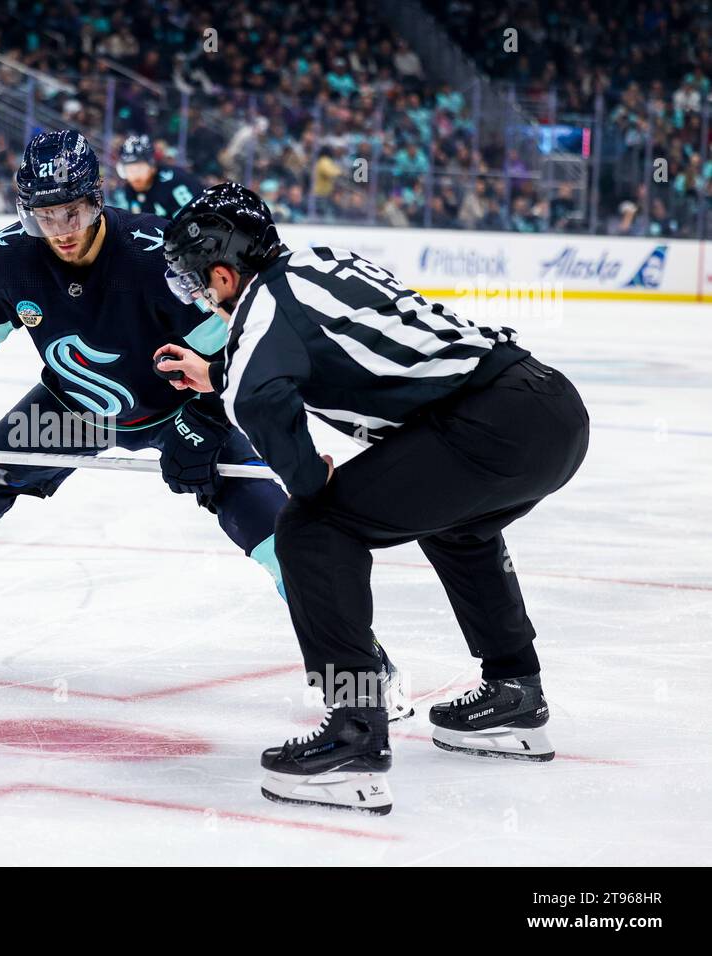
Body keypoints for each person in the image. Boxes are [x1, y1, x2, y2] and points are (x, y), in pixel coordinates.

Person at [0, 131, 410, 714]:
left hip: (179, 406)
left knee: (273, 531)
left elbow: (232, 360)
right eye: (44, 217)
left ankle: (357, 665)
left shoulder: (158, 256)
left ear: (97, 198)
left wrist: (204, 426)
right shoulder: (8, 256)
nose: (60, 229)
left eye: (75, 211)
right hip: (72, 411)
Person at [158, 183, 589, 814]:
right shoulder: (319, 261)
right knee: (459, 527)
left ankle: (355, 733)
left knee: (310, 529)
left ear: (222, 274)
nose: (196, 296)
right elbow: (327, 348)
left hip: (488, 429)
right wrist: (222, 373)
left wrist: (309, 480)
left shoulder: (256, 316)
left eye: (195, 283)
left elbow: (271, 415)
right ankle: (515, 693)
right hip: (547, 407)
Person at [108, 133, 202, 218]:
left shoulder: (174, 180)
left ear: (152, 166)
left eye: (139, 168)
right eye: (129, 169)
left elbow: (199, 214)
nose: (134, 176)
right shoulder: (130, 190)